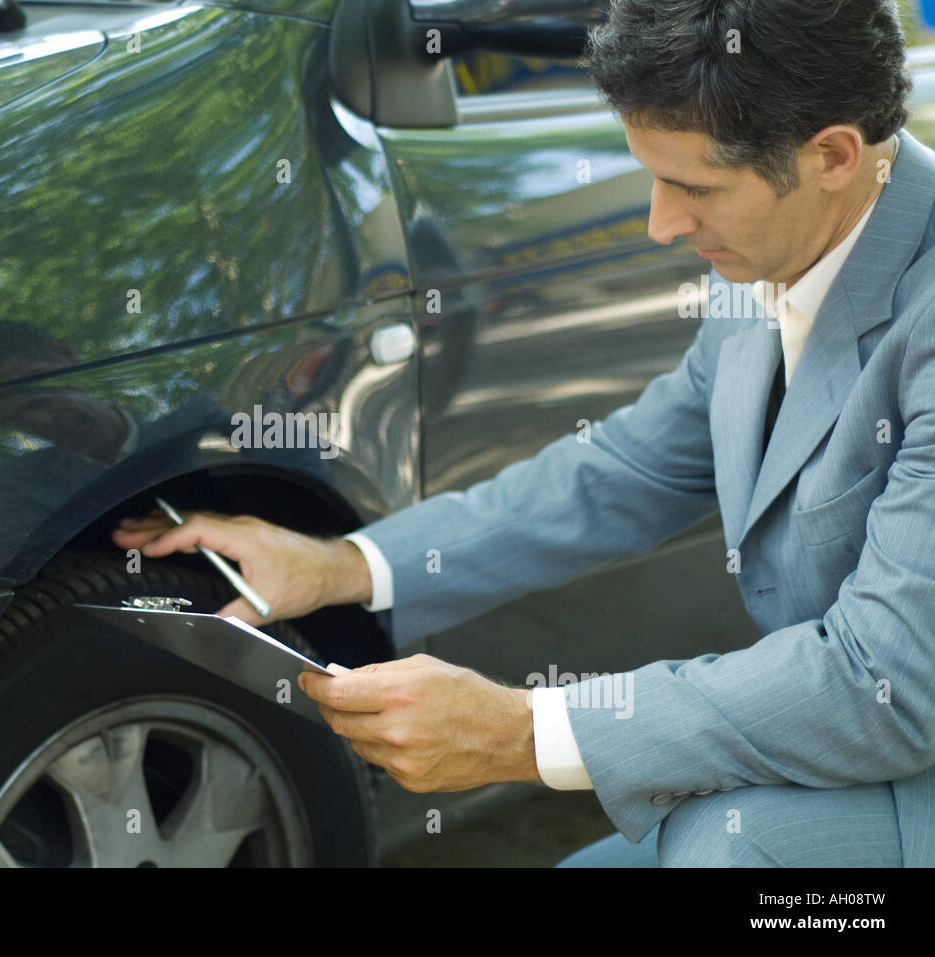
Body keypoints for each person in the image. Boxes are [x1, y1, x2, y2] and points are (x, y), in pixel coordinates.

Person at [113, 0, 935, 866]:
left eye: (694, 188)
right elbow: (621, 469)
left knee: (729, 846)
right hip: (849, 752)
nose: (661, 224)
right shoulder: (786, 254)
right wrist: (342, 564)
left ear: (834, 155)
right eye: (651, 178)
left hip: (899, 748)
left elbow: (879, 687)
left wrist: (522, 730)